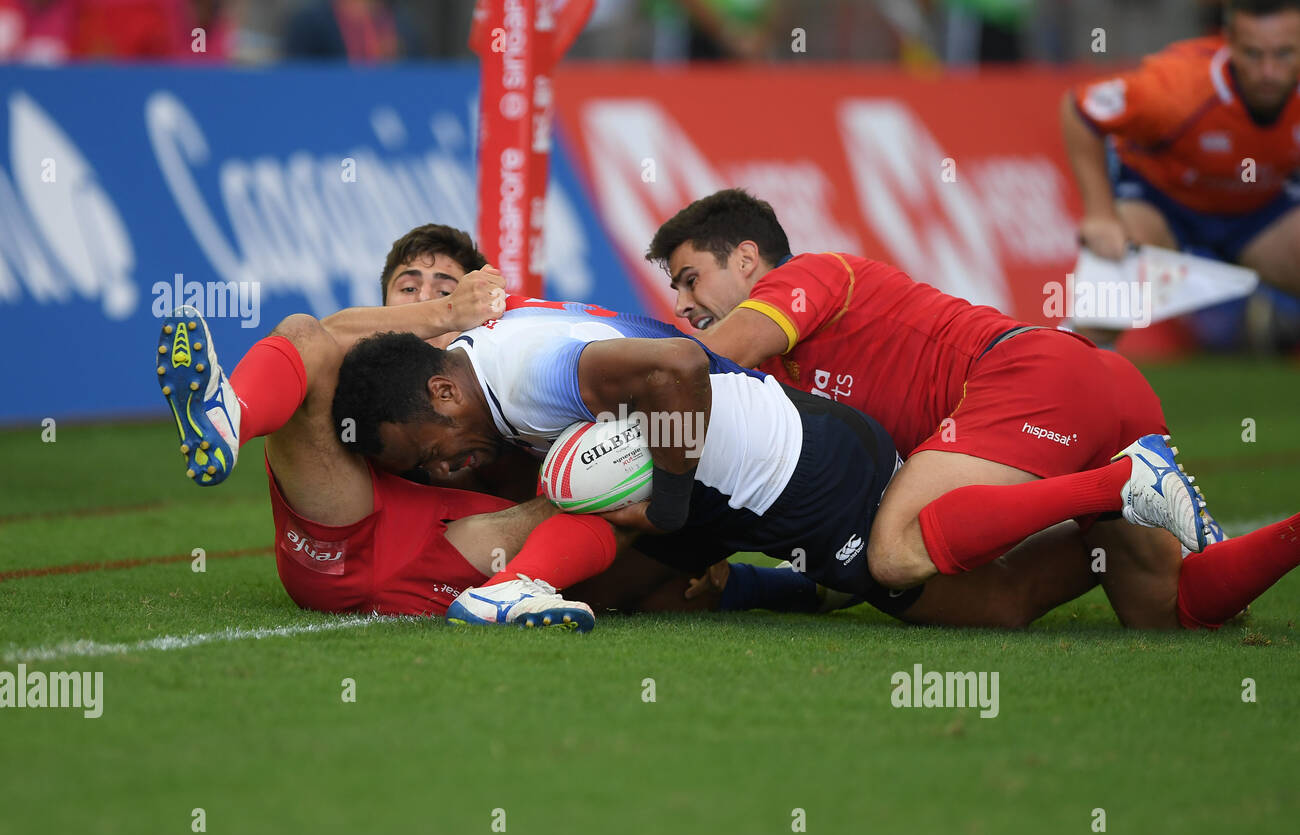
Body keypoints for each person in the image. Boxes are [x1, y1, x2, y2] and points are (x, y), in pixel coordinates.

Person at [327, 295, 1198, 628]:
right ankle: (534, 590)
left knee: (981, 604)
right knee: (624, 596)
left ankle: (1118, 492)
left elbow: (678, 368)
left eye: (430, 460)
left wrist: (667, 502)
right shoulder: (481, 373)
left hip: (802, 470)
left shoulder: (522, 366)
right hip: (728, 490)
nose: (447, 474)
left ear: (442, 395)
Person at [646, 188, 1300, 630]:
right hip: (1084, 392)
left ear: (747, 259)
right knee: (1166, 608)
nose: (680, 301)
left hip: (1031, 378)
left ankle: (1120, 485)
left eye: (689, 277)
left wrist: (600, 365)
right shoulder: (774, 380)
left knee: (897, 552)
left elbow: (700, 361)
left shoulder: (806, 276)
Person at [156, 224, 611, 629]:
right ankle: (230, 415)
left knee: (603, 478)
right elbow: (326, 332)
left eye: (444, 286)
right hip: (336, 543)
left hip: (468, 558)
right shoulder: (359, 360)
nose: (425, 298)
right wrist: (448, 311)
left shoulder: (520, 370)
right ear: (386, 308)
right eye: (408, 288)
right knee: (300, 330)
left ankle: (513, 591)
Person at [1062, 0, 1300, 344]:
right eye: (1252, 54)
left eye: (1283, 54)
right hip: (1162, 203)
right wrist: (1100, 214)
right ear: (1228, 41)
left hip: (1260, 213)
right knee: (1103, 297)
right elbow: (1079, 110)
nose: (1268, 71)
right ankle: (1065, 373)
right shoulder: (1176, 86)